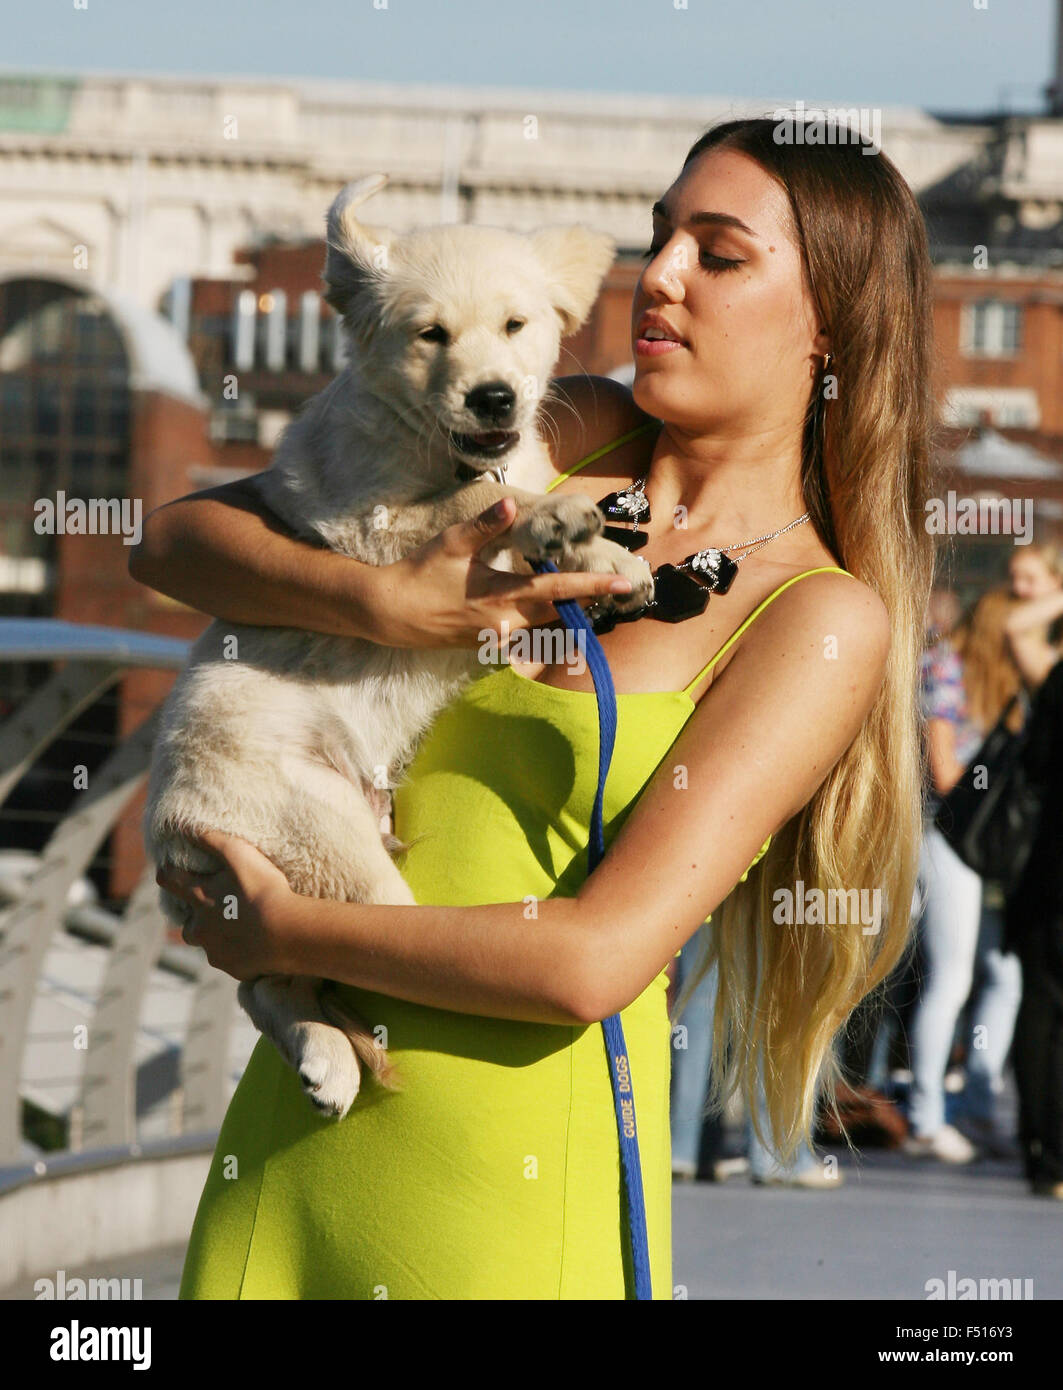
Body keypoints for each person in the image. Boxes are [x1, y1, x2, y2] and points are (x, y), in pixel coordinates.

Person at [131, 116, 933, 1300]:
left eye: (716, 254)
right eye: (661, 235)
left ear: (830, 322)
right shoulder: (563, 424)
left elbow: (592, 960)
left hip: (502, 1183)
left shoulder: (817, 616)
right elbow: (177, 542)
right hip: (300, 1137)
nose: (653, 272)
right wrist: (388, 605)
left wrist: (284, 936)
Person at [904, 588, 1025, 1162]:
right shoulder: (946, 667)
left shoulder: (999, 683)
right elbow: (943, 767)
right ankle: (927, 1116)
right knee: (950, 979)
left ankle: (974, 1105)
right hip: (946, 835)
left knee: (1003, 974)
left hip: (977, 842)